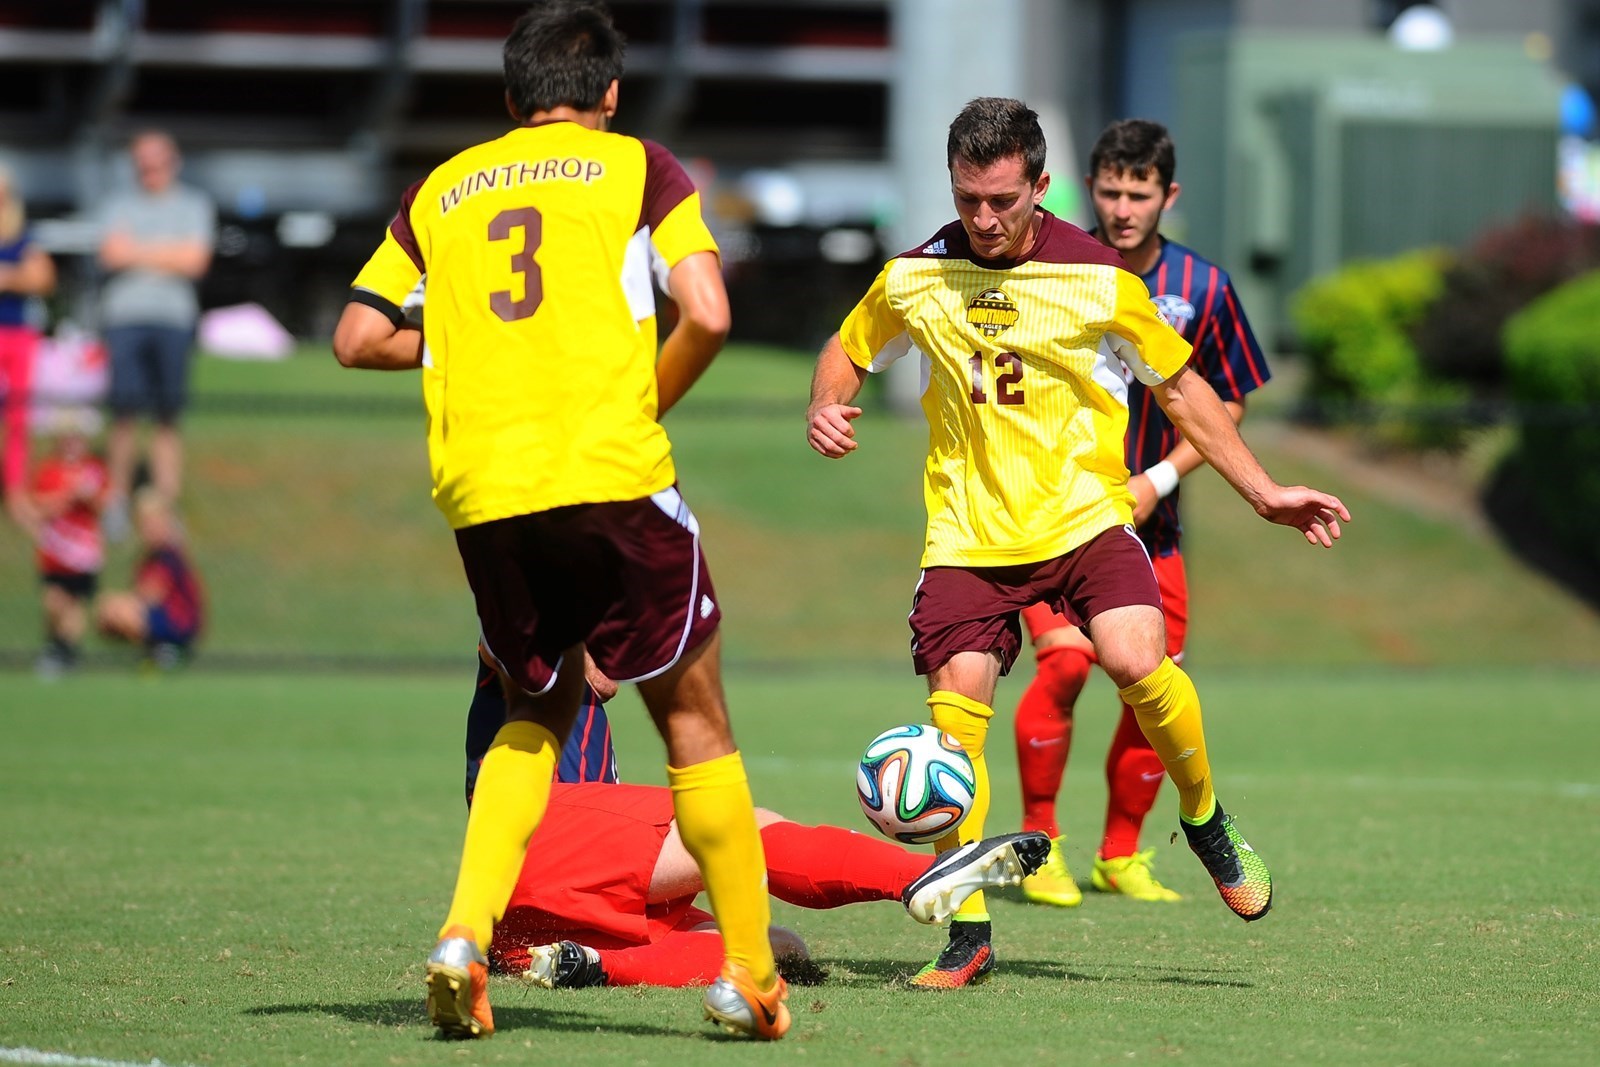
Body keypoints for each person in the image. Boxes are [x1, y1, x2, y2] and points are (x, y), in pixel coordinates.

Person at [806, 97, 1348, 989]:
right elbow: (850, 346)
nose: (983, 219)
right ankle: (967, 936)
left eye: (1002, 201)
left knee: (1139, 659)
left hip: (1085, 520)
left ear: (1042, 187)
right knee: (952, 730)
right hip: (968, 538)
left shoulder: (1100, 279)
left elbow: (1184, 390)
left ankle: (1206, 817)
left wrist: (1264, 493)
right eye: (967, 198)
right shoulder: (914, 276)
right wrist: (824, 402)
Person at [331, 0, 787, 1041]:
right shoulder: (637, 166)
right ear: (610, 94)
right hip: (609, 474)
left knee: (533, 711)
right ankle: (753, 974)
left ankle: (460, 933)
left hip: (486, 492)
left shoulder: (442, 186)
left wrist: (456, 351)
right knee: (695, 721)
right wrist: (644, 402)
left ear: (510, 99)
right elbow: (708, 310)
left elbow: (357, 336)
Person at [1013, 119, 1273, 908]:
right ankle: (1039, 847)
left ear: (1169, 195)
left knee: (1154, 685)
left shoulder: (1205, 287)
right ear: (1086, 187)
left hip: (1151, 526)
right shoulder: (1046, 269)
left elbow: (1225, 398)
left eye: (1140, 192)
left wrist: (1159, 475)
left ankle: (1120, 853)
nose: (1123, 208)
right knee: (1062, 663)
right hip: (1052, 519)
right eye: (1110, 190)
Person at [462, 660, 1051, 989]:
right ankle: (918, 874)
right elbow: (573, 662)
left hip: (518, 917)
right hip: (542, 832)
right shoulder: (522, 588)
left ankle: (585, 963)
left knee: (777, 948)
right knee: (736, 827)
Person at [98, 129, 215, 537]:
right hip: (124, 318)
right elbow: (112, 254)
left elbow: (195, 260)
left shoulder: (194, 204)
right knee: (124, 414)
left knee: (168, 417)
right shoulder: (118, 204)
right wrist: (169, 251)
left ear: (173, 162)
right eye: (143, 162)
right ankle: (116, 499)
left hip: (174, 319)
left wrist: (139, 251)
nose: (150, 170)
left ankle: (166, 506)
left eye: (158, 161)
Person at [27, 411, 108, 677]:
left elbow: (102, 505)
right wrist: (65, 496)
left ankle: (67, 652)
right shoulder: (49, 470)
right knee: (54, 601)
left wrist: (88, 495)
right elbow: (38, 504)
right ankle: (54, 645)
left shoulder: (93, 470)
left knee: (76, 604)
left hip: (83, 552)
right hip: (56, 551)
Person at [0, 163, 57, 526]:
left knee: (19, 417)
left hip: (17, 335)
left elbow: (43, 278)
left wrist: (9, 277)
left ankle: (17, 493)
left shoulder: (21, 236)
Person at [95, 488, 205, 668]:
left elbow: (150, 596)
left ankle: (168, 651)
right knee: (111, 609)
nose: (149, 530)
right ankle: (156, 652)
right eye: (145, 524)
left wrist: (118, 604)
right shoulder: (147, 558)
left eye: (154, 523)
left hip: (178, 623)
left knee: (122, 611)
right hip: (157, 616)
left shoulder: (169, 556)